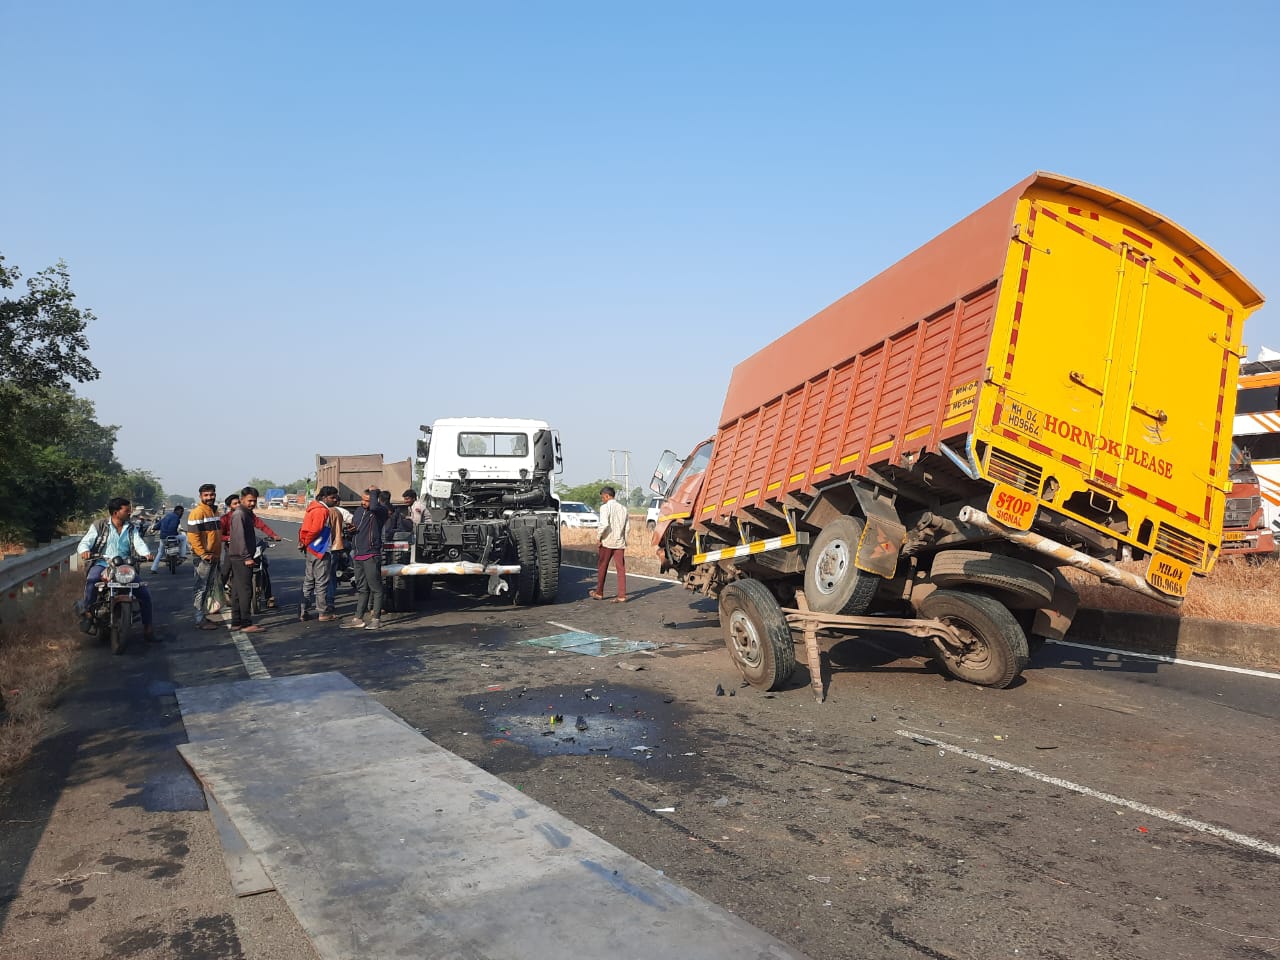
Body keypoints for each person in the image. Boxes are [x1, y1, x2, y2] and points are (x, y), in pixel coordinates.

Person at [77, 497, 156, 641]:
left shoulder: (131, 527)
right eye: (127, 510)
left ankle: (148, 629)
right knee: (92, 580)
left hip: (124, 566)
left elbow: (138, 542)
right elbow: (85, 542)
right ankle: (87, 612)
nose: (130, 513)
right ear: (115, 512)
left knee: (144, 594)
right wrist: (85, 551)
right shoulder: (99, 525)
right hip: (103, 563)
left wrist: (146, 554)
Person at [220, 492, 281, 607]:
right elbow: (219, 535)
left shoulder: (248, 515)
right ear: (229, 506)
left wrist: (273, 535)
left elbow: (261, 525)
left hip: (249, 549)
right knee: (225, 572)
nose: (238, 505)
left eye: (239, 502)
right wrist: (229, 538)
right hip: (233, 551)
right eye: (235, 504)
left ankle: (268, 597)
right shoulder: (224, 519)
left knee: (264, 568)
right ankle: (218, 595)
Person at [344, 486, 388, 630]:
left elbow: (374, 507)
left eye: (367, 500)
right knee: (362, 589)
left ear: (375, 500)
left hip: (371, 554)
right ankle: (358, 618)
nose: (363, 503)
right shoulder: (359, 511)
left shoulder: (380, 512)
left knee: (376, 588)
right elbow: (356, 528)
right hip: (358, 554)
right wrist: (351, 531)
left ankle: (376, 619)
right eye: (362, 499)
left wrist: (374, 492)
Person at [225, 486, 264, 632]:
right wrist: (247, 557)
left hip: (236, 556)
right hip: (241, 557)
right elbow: (239, 537)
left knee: (236, 590)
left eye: (254, 501)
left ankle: (236, 622)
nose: (252, 503)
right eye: (250, 501)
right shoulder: (240, 514)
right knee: (246, 591)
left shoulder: (245, 513)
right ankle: (246, 623)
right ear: (242, 500)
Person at [299, 486, 339, 622]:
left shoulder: (312, 509)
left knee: (309, 581)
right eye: (332, 497)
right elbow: (315, 530)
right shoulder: (321, 511)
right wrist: (308, 542)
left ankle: (304, 611)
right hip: (320, 549)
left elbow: (304, 529)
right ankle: (322, 612)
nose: (335, 500)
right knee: (321, 582)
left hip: (311, 549)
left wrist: (304, 543)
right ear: (323, 498)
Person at [187, 483, 222, 630]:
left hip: (214, 556)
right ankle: (199, 618)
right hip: (203, 558)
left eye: (212, 494)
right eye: (206, 495)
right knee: (201, 587)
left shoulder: (214, 512)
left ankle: (204, 615)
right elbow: (193, 537)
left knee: (208, 587)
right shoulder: (198, 512)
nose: (210, 497)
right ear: (200, 496)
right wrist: (203, 554)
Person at [590, 485, 629, 602]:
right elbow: (627, 528)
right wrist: (624, 540)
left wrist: (599, 537)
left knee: (602, 566)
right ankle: (622, 595)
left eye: (603, 497)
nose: (603, 499)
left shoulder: (605, 508)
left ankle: (599, 592)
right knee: (621, 568)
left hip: (607, 541)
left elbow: (604, 524)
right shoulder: (623, 508)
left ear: (607, 496)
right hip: (619, 542)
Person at [150, 505, 188, 572]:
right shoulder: (176, 518)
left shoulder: (166, 516)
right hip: (172, 537)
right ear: (178, 511)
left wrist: (154, 528)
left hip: (163, 538)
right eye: (181, 512)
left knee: (160, 552)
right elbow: (173, 529)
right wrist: (176, 534)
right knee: (184, 538)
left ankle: (153, 568)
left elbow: (157, 526)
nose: (182, 514)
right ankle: (182, 555)